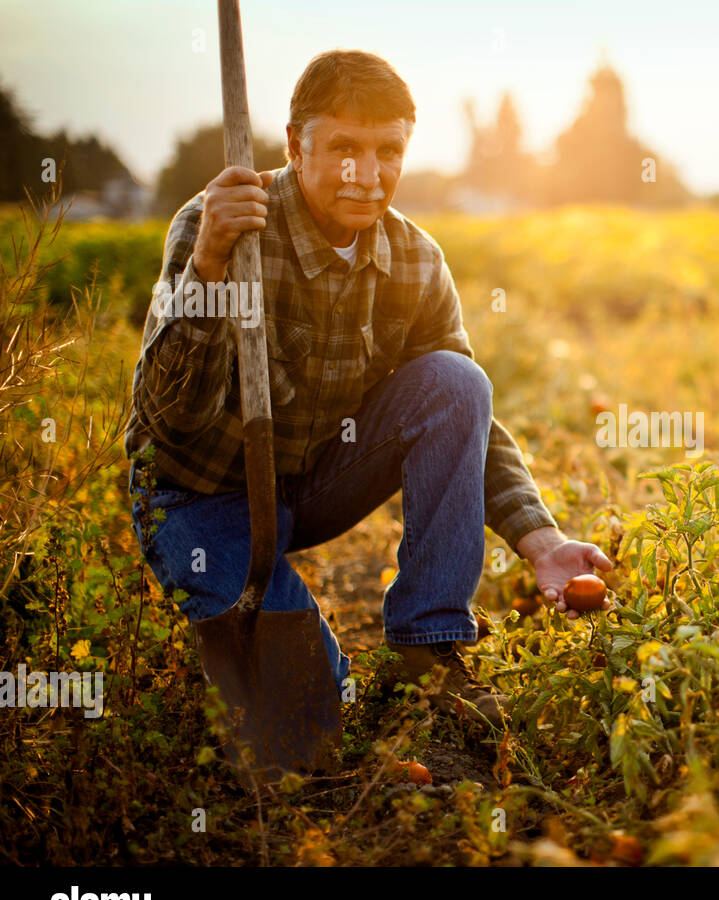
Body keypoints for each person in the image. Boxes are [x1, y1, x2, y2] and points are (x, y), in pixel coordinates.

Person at [124, 49, 612, 731]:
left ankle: (428, 651)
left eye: (389, 151)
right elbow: (168, 419)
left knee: (455, 379)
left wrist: (538, 539)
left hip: (310, 483)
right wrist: (208, 269)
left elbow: (463, 414)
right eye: (345, 148)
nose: (368, 174)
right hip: (199, 493)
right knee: (307, 728)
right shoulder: (220, 231)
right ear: (295, 146)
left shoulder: (415, 260)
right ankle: (274, 653)